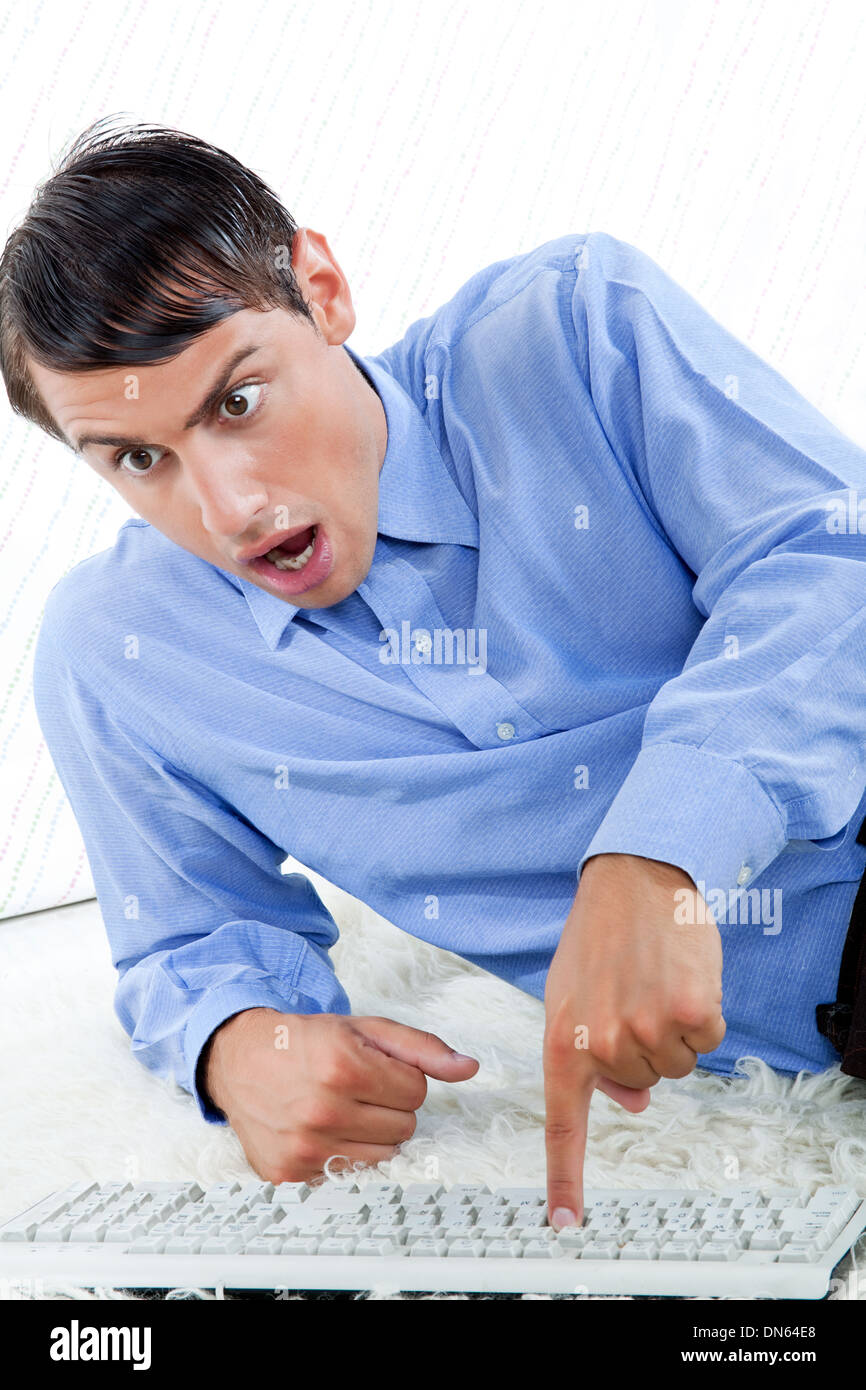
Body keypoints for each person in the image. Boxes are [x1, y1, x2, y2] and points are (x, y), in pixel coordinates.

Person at [5, 117, 866, 1234]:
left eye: (236, 400)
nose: (230, 508)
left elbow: (825, 552)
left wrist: (660, 853)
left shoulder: (567, 328)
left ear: (320, 290)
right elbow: (188, 933)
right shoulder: (116, 657)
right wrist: (238, 1049)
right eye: (137, 458)